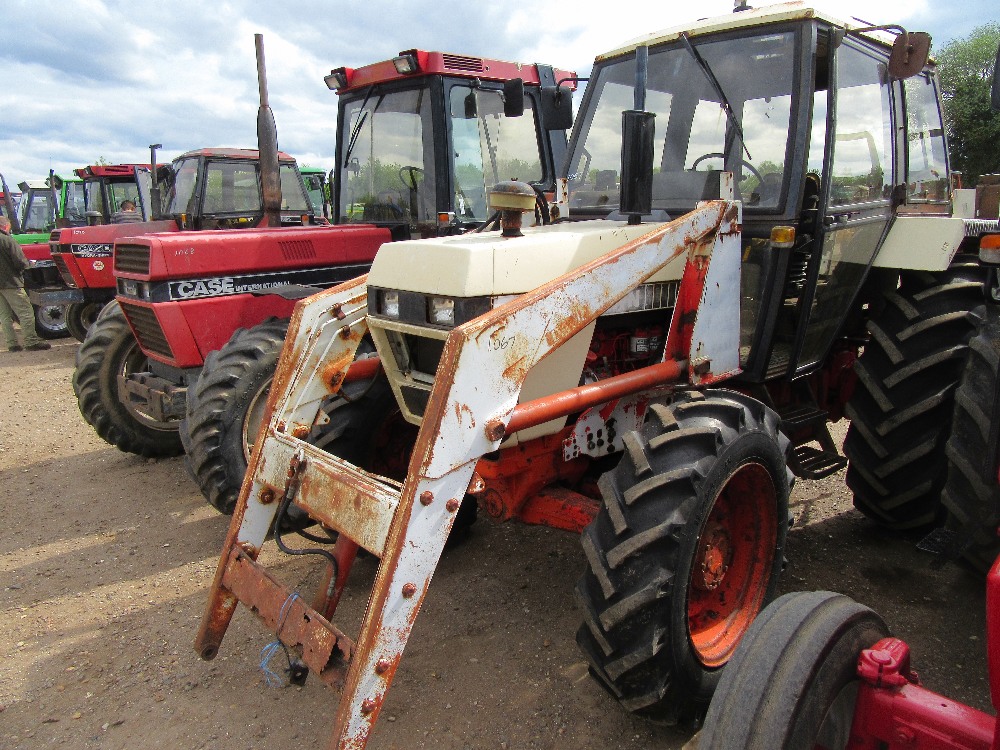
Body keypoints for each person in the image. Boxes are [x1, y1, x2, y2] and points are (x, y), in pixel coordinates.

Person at [0, 216, 50, 352]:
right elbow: (20, 261)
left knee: (4, 315)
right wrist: (29, 265)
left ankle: (12, 344)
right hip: (11, 282)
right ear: (6, 226)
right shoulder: (8, 240)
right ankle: (31, 341)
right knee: (25, 312)